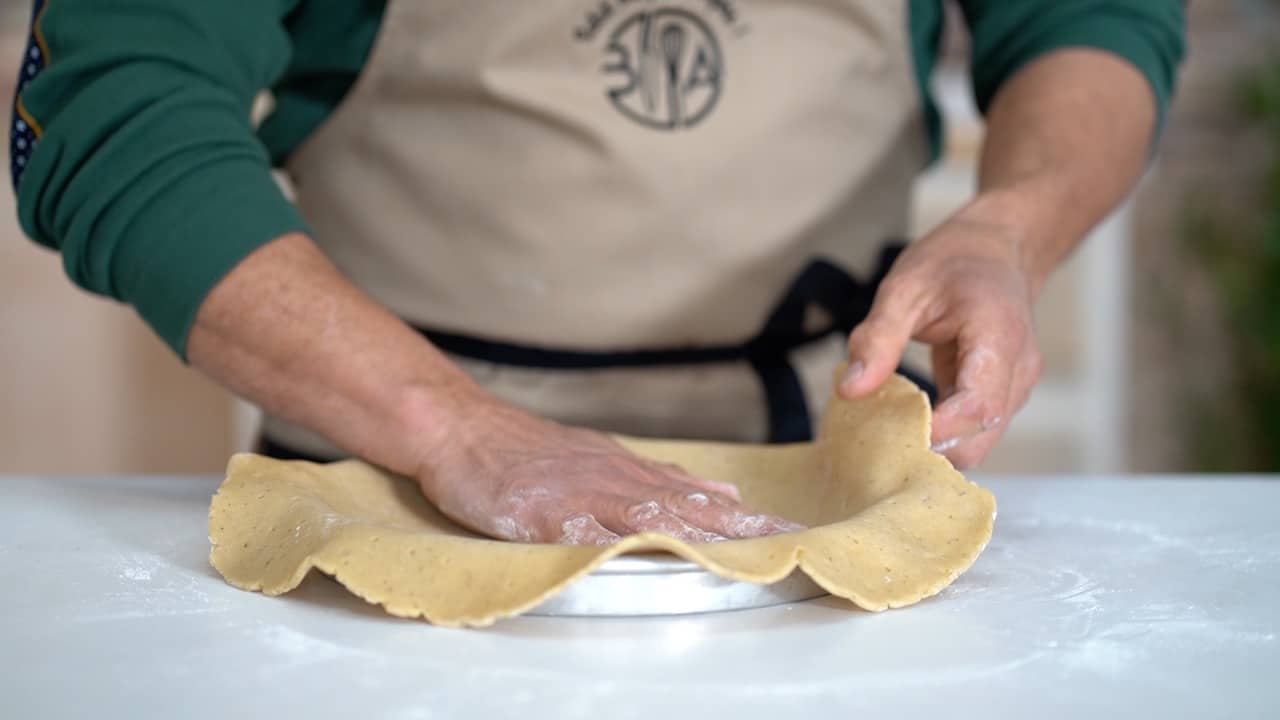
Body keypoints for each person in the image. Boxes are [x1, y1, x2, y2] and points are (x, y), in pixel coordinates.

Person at [9, 1, 1183, 545]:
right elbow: (113, 98)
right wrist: (447, 426)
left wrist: (1009, 227)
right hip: (383, 490)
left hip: (817, 494)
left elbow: (1091, 17)